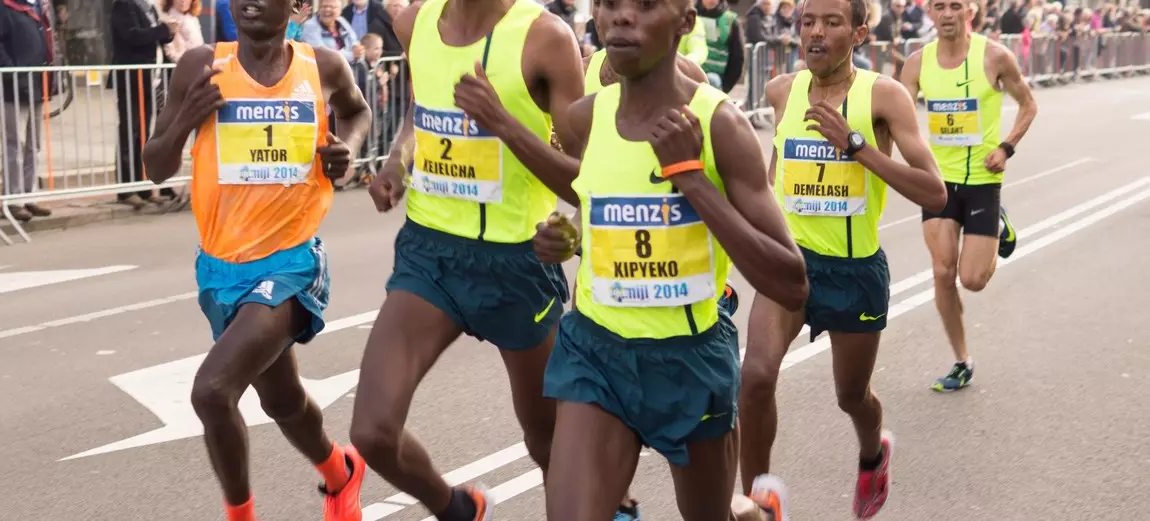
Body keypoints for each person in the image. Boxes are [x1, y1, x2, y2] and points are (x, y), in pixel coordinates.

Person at [532, 0, 806, 518]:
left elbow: (791, 282)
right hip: (597, 351)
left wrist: (694, 179)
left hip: (690, 360)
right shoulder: (585, 117)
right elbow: (599, 206)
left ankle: (756, 511)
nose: (621, 17)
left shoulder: (718, 122)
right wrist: (567, 237)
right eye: (609, 5)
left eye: (645, 6)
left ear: (684, 21)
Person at [351, 0, 585, 518]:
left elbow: (584, 177)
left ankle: (610, 504)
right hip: (430, 253)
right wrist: (398, 160)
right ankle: (455, 508)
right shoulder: (413, 22)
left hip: (517, 264)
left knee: (550, 446)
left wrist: (502, 122)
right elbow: (422, 105)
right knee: (371, 431)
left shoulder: (546, 39)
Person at [138, 0, 372, 517]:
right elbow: (155, 166)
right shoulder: (200, 66)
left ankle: (240, 515)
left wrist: (349, 151)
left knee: (212, 392)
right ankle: (341, 472)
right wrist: (185, 122)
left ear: (296, 6)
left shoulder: (323, 66)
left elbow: (357, 111)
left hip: (291, 262)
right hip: (222, 267)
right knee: (282, 400)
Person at [738, 0, 949, 518]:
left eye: (831, 23)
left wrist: (856, 146)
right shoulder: (782, 91)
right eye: (807, 21)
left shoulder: (885, 95)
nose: (814, 33)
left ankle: (873, 454)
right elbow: (773, 175)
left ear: (857, 34)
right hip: (792, 265)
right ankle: (756, 500)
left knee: (852, 396)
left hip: (855, 273)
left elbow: (935, 193)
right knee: (756, 376)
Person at [899, 0, 1036, 393]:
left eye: (954, 6)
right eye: (938, 6)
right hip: (938, 182)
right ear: (930, 13)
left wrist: (1007, 147)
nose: (946, 14)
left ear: (969, 11)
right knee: (942, 271)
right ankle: (962, 360)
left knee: (972, 279)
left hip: (982, 179)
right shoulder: (917, 63)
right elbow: (899, 112)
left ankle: (997, 220)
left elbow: (1028, 104)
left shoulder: (994, 56)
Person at [0, 0, 58, 222]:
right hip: (13, 85)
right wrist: (10, 71)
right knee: (15, 144)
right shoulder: (0, 5)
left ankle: (29, 195)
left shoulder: (39, 4)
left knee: (33, 144)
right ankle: (13, 200)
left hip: (36, 82)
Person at [112, 0, 178, 208]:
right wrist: (162, 30)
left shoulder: (149, 7)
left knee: (144, 134)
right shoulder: (124, 5)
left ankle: (144, 188)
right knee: (130, 133)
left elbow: (156, 37)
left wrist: (169, 32)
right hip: (133, 79)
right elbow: (132, 36)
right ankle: (127, 189)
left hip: (151, 80)